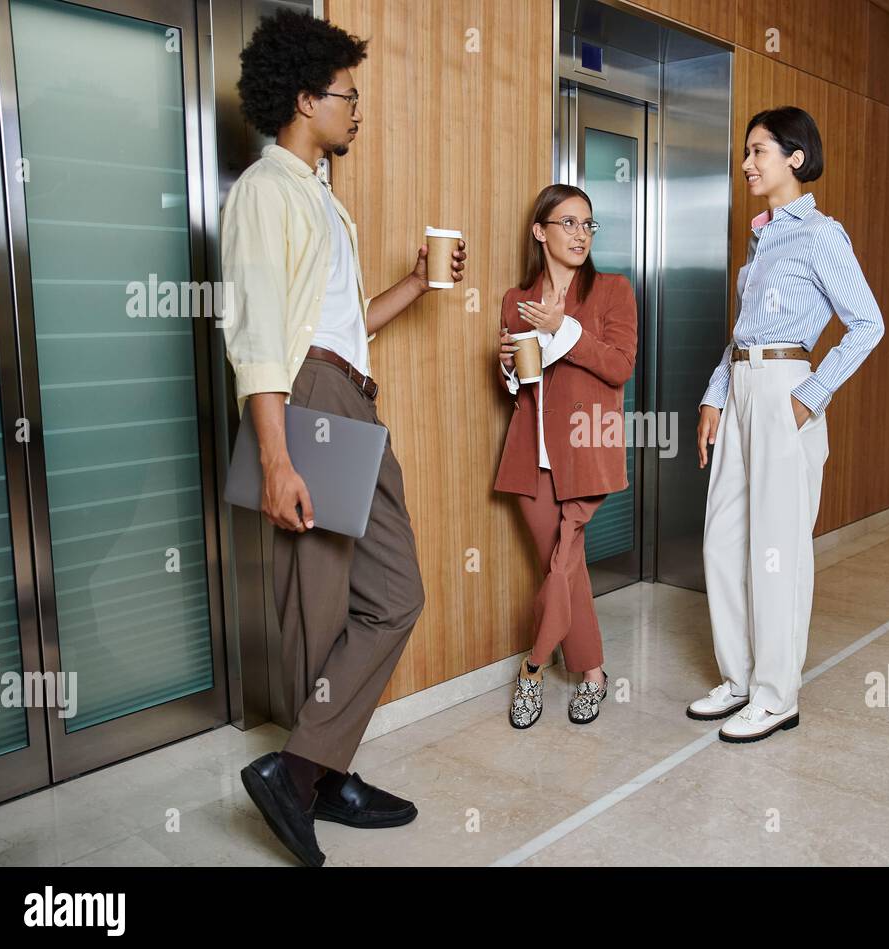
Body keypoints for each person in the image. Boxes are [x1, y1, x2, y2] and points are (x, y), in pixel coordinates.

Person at [221, 10, 466, 866]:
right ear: (304, 99)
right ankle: (312, 775)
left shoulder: (321, 199)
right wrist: (277, 456)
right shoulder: (265, 191)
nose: (356, 111)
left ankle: (307, 771)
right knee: (317, 604)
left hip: (346, 392)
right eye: (346, 97)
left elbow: (343, 326)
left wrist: (414, 286)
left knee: (392, 592)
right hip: (308, 402)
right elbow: (258, 337)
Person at [691, 106, 884, 743]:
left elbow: (867, 323)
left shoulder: (823, 235)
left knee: (776, 548)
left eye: (759, 152)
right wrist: (714, 397)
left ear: (795, 158)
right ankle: (741, 679)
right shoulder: (763, 237)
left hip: (783, 391)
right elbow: (743, 334)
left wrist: (811, 396)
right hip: (742, 385)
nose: (747, 164)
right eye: (746, 153)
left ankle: (778, 696)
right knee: (723, 539)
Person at [495, 184, 637, 729]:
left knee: (562, 560)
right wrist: (508, 365)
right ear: (541, 232)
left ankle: (532, 669)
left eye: (587, 225)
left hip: (588, 448)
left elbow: (619, 366)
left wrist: (564, 330)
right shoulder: (516, 299)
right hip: (532, 456)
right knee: (566, 569)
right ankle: (593, 673)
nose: (580, 234)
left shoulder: (612, 291)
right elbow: (520, 382)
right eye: (568, 223)